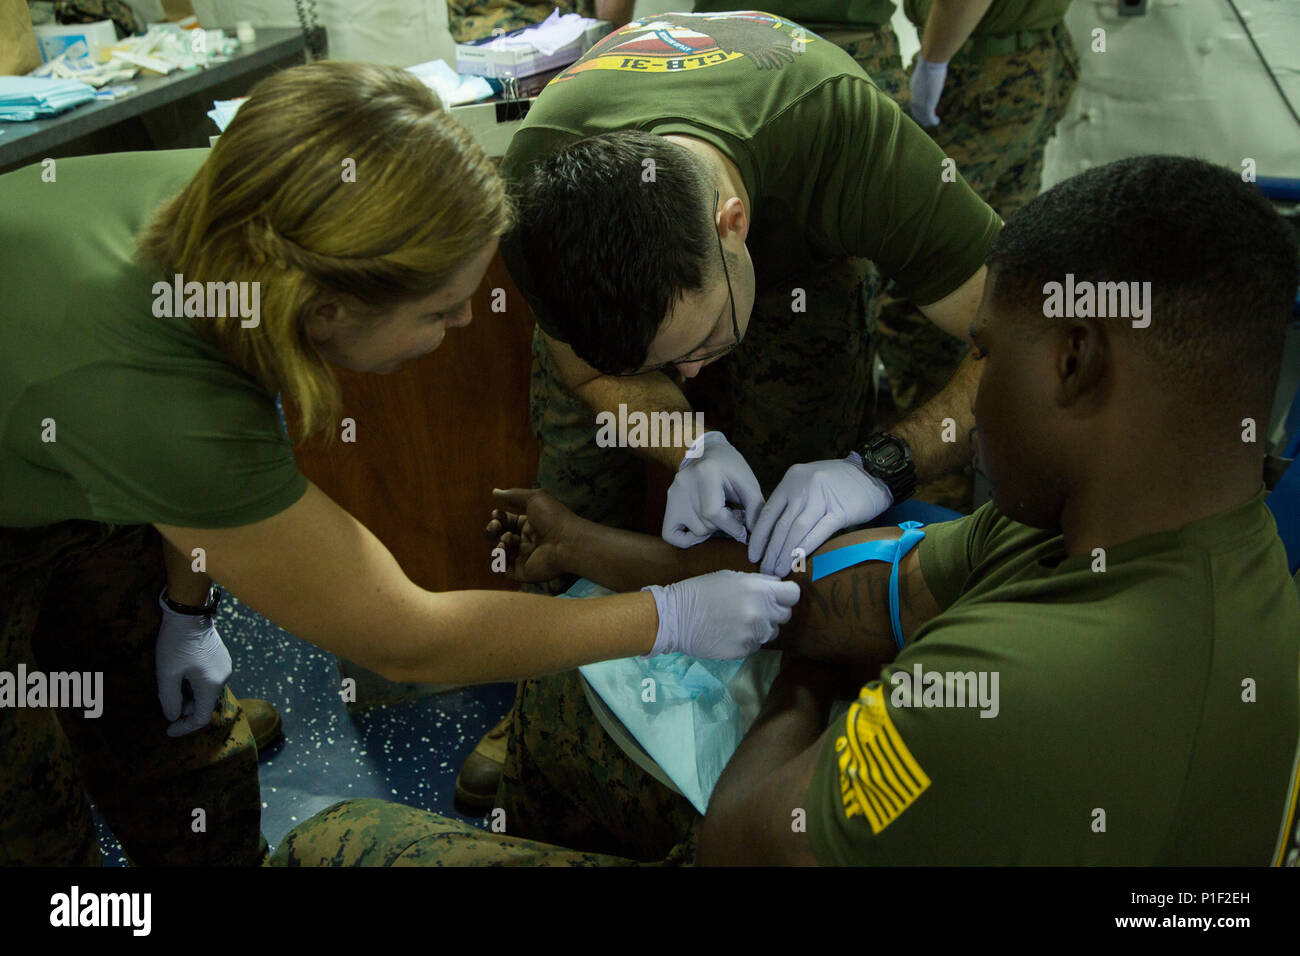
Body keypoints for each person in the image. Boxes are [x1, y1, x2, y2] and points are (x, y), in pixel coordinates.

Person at [271, 154, 1300, 866]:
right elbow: (839, 595)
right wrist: (595, 545)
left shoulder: (1036, 689)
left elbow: (745, 839)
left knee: (332, 843)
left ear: (1076, 360)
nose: (969, 394)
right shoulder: (1111, 533)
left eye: (987, 352)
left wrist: (825, 678)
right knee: (569, 714)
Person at [0, 60, 794, 866]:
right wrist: (671, 616)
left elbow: (185, 481)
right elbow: (407, 638)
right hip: (48, 413)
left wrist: (183, 611)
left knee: (164, 726)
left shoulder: (266, 220)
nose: (462, 324)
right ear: (328, 311)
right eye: (442, 312)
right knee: (30, 824)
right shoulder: (159, 398)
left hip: (68, 408)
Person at [453, 8, 1000, 810]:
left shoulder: (847, 139)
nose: (691, 375)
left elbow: (1026, 339)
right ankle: (555, 702)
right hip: (659, 265)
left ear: (733, 224)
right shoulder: (545, 179)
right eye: (662, 367)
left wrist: (881, 468)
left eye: (700, 343)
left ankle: (770, 706)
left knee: (787, 525)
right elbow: (585, 368)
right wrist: (687, 444)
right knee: (576, 477)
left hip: (799, 273)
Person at [879, 0, 1078, 456]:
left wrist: (932, 63)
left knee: (923, 286)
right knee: (1002, 267)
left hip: (977, 72)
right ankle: (998, 458)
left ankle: (932, 472)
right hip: (1036, 59)